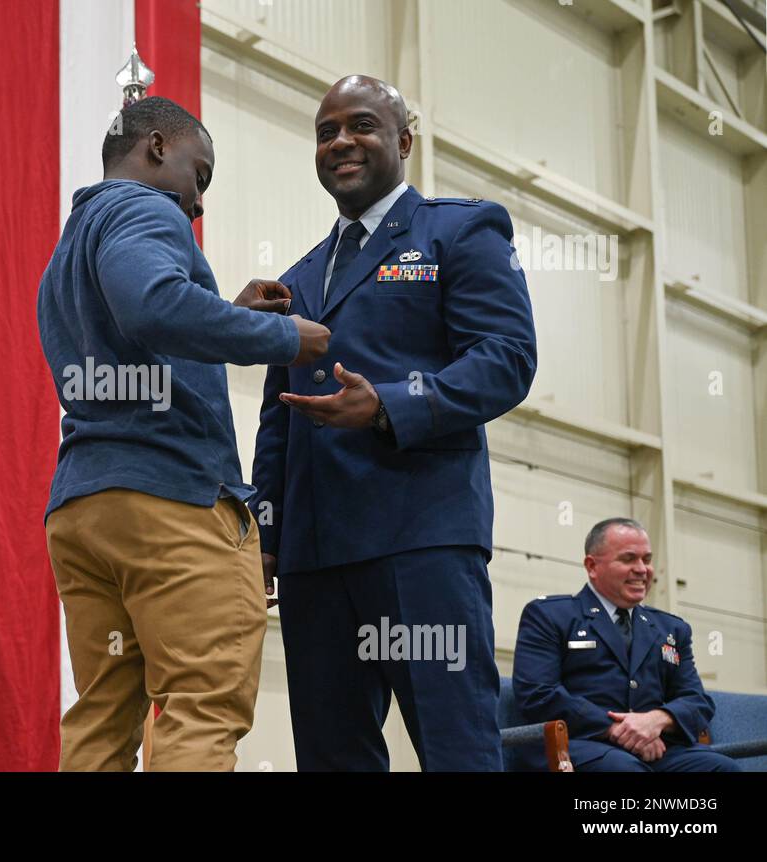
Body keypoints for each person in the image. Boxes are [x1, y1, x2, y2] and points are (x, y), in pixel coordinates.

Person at [250, 75, 537, 771]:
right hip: (316, 559)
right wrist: (264, 536)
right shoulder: (297, 277)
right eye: (326, 132)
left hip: (421, 541)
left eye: (361, 125)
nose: (341, 141)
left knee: (455, 744)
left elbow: (506, 359)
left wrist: (388, 404)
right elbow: (277, 422)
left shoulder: (463, 229)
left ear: (404, 139)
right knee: (331, 754)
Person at [37, 96, 330, 771]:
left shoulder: (69, 250)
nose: (197, 204)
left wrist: (223, 314)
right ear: (159, 147)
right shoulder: (145, 210)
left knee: (102, 715)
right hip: (171, 502)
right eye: (200, 176)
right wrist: (281, 335)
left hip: (86, 508)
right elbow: (153, 305)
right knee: (202, 705)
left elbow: (138, 344)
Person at [512, 518, 739, 772]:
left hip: (658, 748)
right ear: (592, 566)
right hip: (582, 743)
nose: (642, 569)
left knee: (721, 768)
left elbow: (697, 700)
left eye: (647, 559)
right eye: (629, 559)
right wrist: (618, 729)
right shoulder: (552, 616)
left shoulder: (671, 629)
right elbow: (538, 694)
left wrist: (657, 721)